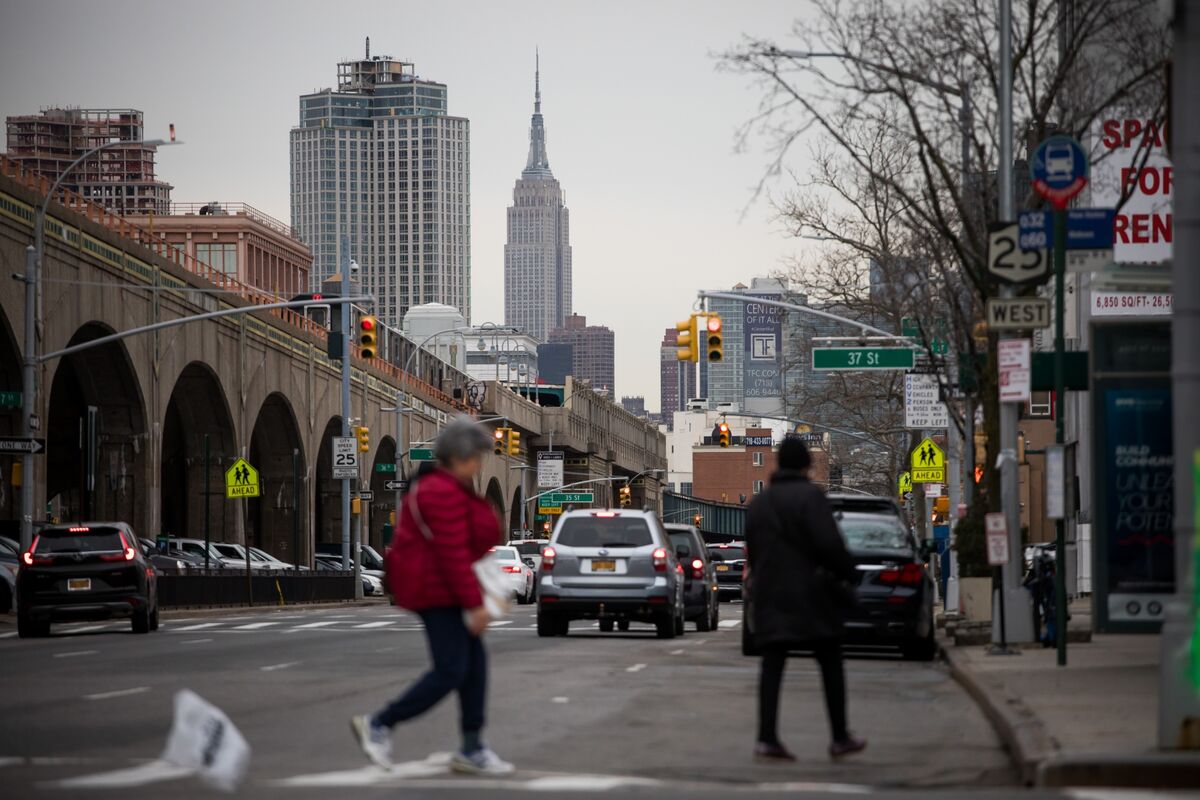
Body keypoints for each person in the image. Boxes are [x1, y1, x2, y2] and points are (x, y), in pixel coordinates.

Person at [351, 417, 512, 775]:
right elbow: (451, 553)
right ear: (461, 455)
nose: (480, 463)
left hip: (444, 589)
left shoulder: (451, 487)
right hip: (436, 592)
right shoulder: (439, 492)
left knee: (474, 668)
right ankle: (380, 723)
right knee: (451, 670)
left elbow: (478, 536)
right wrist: (475, 604)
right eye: (477, 456)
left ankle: (472, 748)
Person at [745, 436, 866, 762]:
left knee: (772, 666)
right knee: (829, 660)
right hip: (812, 595)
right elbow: (829, 545)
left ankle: (766, 738)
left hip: (770, 595)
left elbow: (753, 554)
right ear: (804, 466)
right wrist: (849, 574)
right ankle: (839, 737)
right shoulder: (811, 499)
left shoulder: (758, 505)